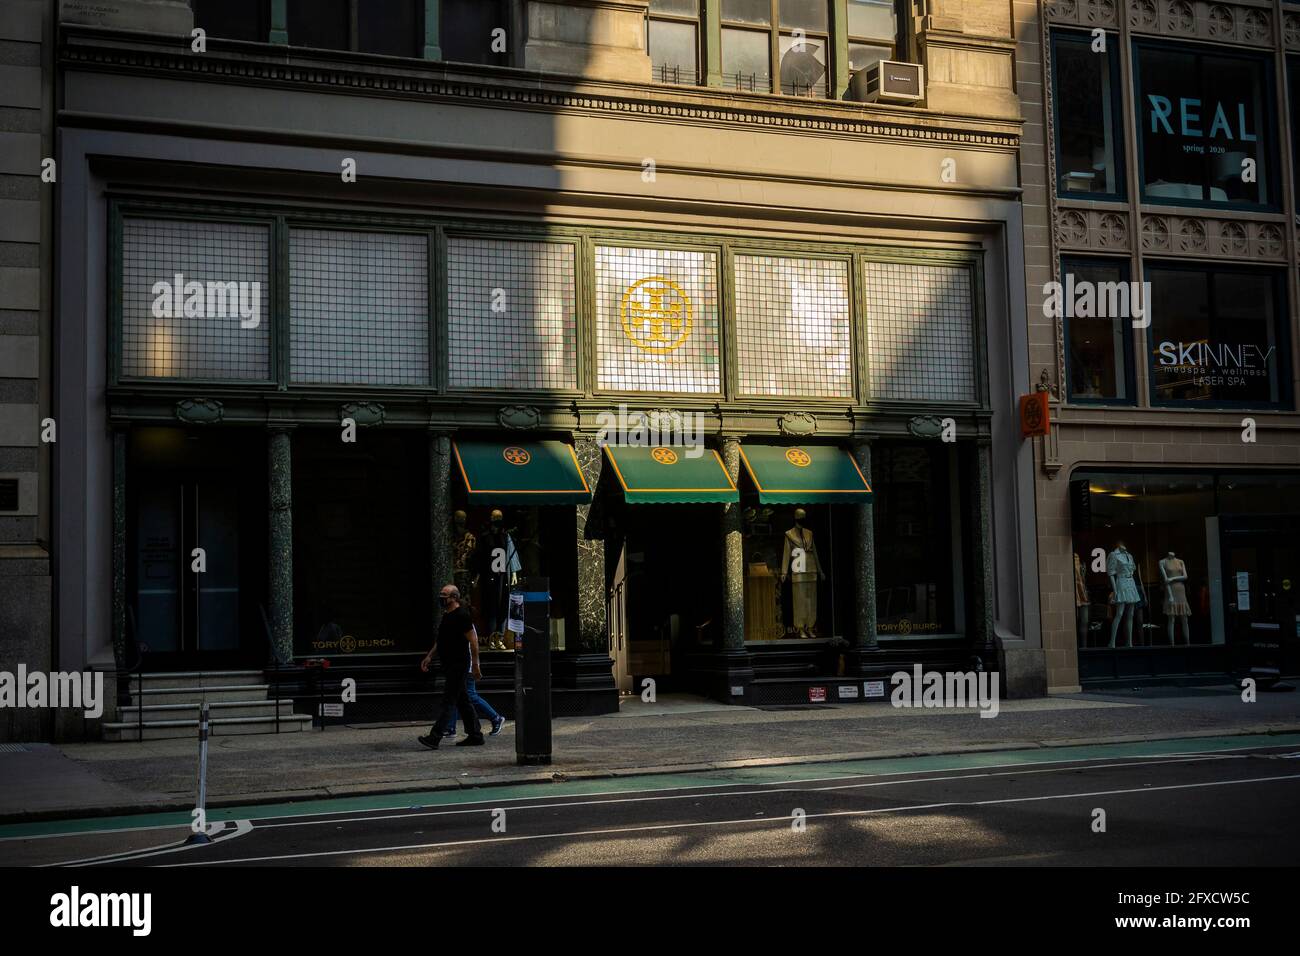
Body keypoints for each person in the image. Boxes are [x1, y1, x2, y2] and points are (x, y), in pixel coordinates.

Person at [418, 584, 484, 749]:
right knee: (463, 700)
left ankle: (435, 737)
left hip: (459, 664)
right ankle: (476, 735)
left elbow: (474, 642)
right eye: (441, 594)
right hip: (449, 664)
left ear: (454, 598)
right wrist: (430, 656)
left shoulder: (462, 615)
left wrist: (475, 665)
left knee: (449, 700)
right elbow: (441, 641)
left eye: (444, 595)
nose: (441, 597)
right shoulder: (447, 615)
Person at [443, 659, 507, 737]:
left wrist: (475, 666)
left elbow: (474, 647)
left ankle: (496, 718)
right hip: (456, 667)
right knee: (455, 695)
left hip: (466, 668)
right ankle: (450, 728)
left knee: (470, 695)